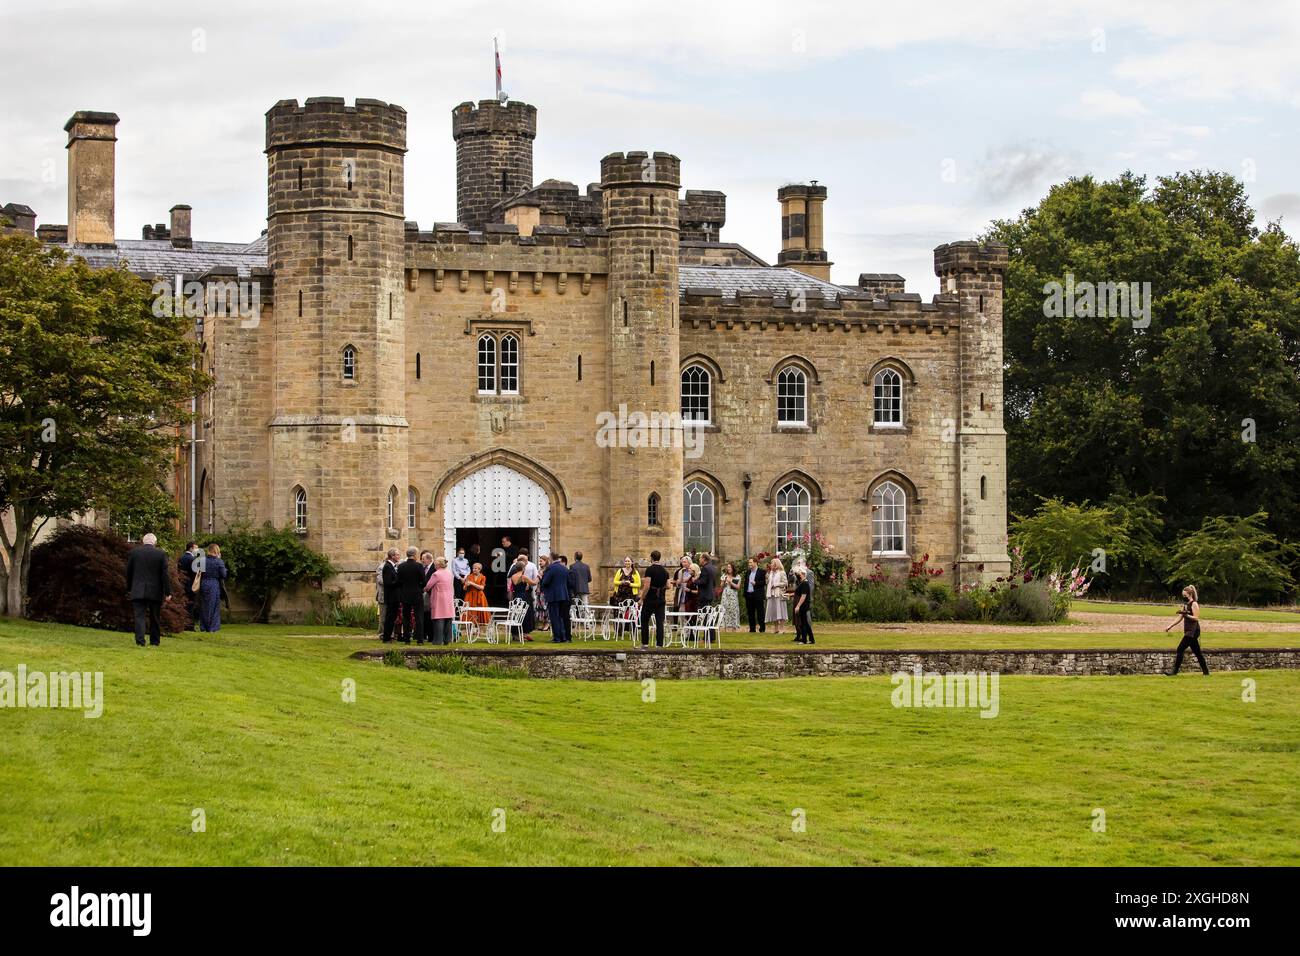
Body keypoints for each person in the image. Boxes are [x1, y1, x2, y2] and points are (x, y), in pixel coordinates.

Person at [125, 533, 172, 646]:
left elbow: (128, 572)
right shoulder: (160, 554)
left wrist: (129, 587)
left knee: (139, 617)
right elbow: (164, 575)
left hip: (138, 589)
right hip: (155, 590)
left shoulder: (134, 553)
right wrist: (168, 592)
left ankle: (140, 641)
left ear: (143, 541)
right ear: (155, 543)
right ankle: (155, 641)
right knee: (155, 617)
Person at [1166, 584, 1209, 675]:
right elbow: (1180, 617)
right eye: (1183, 596)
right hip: (1189, 630)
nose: (1184, 597)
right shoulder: (1185, 605)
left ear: (1190, 594)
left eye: (1185, 596)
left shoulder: (1194, 604)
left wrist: (1187, 615)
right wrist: (1170, 626)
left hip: (1193, 631)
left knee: (1180, 649)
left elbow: (1196, 618)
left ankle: (1174, 672)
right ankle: (1206, 672)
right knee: (1197, 652)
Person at [638, 550, 670, 648]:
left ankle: (645, 643)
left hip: (650, 599)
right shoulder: (665, 571)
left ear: (651, 558)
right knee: (659, 622)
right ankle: (659, 644)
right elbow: (668, 586)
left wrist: (641, 598)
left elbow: (647, 585)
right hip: (661, 599)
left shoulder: (650, 570)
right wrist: (661, 587)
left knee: (644, 620)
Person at [396, 547, 426, 645]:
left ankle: (406, 639)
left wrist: (404, 589)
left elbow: (398, 581)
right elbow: (424, 581)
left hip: (405, 594)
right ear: (414, 555)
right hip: (417, 594)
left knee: (406, 617)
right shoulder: (419, 566)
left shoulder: (401, 566)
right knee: (419, 617)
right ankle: (420, 640)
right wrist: (419, 588)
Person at [540, 552, 572, 643]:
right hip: (564, 595)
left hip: (553, 596)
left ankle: (557, 638)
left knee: (554, 617)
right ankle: (563, 637)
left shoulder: (551, 568)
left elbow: (545, 582)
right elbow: (569, 583)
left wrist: (542, 578)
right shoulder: (564, 568)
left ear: (550, 558)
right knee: (561, 617)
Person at [424, 556, 455, 645]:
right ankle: (447, 640)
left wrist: (424, 589)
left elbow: (428, 586)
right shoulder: (449, 573)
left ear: (437, 564)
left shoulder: (436, 574)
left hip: (439, 598)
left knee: (438, 619)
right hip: (448, 597)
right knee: (448, 619)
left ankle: (438, 640)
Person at [197, 543, 228, 632]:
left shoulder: (202, 561)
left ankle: (203, 626)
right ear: (217, 551)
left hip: (203, 583)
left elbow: (199, 572)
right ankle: (212, 627)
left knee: (204, 605)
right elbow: (223, 574)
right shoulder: (219, 561)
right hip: (213, 583)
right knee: (213, 606)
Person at [510, 553, 537, 641]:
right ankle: (523, 633)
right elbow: (534, 583)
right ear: (523, 568)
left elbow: (516, 585)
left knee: (516, 614)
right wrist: (539, 576)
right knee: (524, 615)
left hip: (516, 596)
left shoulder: (513, 576)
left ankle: (515, 633)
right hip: (523, 596)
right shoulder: (523, 577)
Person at [695, 553, 719, 642]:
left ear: (704, 559)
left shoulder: (705, 568)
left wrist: (696, 581)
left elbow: (703, 582)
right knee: (709, 617)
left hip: (705, 595)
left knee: (706, 617)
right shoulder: (712, 567)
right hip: (710, 594)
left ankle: (707, 638)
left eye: (700, 559)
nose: (699, 560)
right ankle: (711, 637)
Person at [177, 541, 200, 630]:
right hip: (190, 584)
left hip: (182, 583)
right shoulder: (192, 559)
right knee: (190, 604)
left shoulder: (181, 558)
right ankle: (189, 625)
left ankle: (183, 623)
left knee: (184, 604)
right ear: (191, 548)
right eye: (196, 548)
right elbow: (196, 572)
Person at [380, 548, 401, 642]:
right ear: (392, 556)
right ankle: (386, 637)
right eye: (397, 555)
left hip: (394, 596)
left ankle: (388, 637)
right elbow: (388, 582)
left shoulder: (392, 566)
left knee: (392, 617)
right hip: (391, 596)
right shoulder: (388, 566)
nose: (399, 556)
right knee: (390, 617)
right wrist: (399, 581)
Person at [743, 557, 767, 633]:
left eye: (750, 562)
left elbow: (764, 582)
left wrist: (756, 583)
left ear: (755, 563)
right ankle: (752, 629)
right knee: (750, 612)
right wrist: (745, 593)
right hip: (749, 595)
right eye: (749, 563)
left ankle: (762, 628)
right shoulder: (748, 572)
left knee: (760, 612)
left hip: (758, 595)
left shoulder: (761, 572)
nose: (749, 564)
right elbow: (745, 583)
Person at [792, 568, 815, 644]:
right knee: (806, 623)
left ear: (803, 574)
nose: (798, 575)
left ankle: (804, 640)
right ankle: (811, 639)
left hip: (804, 605)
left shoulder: (805, 583)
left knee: (803, 623)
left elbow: (803, 596)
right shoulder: (802, 583)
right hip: (803, 605)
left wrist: (798, 606)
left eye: (799, 574)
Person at [766, 557, 788, 634]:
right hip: (771, 594)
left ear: (776, 565)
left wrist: (776, 584)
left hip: (779, 594)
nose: (770, 565)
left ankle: (782, 628)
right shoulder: (770, 573)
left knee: (781, 611)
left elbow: (785, 583)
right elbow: (767, 582)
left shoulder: (782, 572)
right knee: (774, 611)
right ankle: (776, 628)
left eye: (772, 563)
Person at [719, 562, 741, 631]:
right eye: (728, 567)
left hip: (733, 595)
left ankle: (734, 627)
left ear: (733, 568)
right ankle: (725, 627)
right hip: (725, 594)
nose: (728, 568)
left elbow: (738, 587)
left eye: (730, 567)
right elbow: (721, 586)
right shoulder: (724, 575)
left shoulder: (737, 576)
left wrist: (730, 582)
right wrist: (724, 581)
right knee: (725, 609)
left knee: (733, 610)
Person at [420, 550, 436, 638]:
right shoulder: (423, 568)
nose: (422, 561)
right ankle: (424, 633)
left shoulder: (434, 568)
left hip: (430, 593)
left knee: (429, 614)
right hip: (424, 594)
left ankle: (430, 634)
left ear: (429, 559)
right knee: (425, 613)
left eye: (423, 559)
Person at [535, 554, 551, 632]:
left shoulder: (548, 571)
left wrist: (540, 577)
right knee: (540, 608)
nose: (539, 563)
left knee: (545, 608)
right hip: (539, 591)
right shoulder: (540, 570)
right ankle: (544, 623)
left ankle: (548, 624)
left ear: (546, 561)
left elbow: (546, 581)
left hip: (545, 592)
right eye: (539, 561)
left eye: (541, 561)